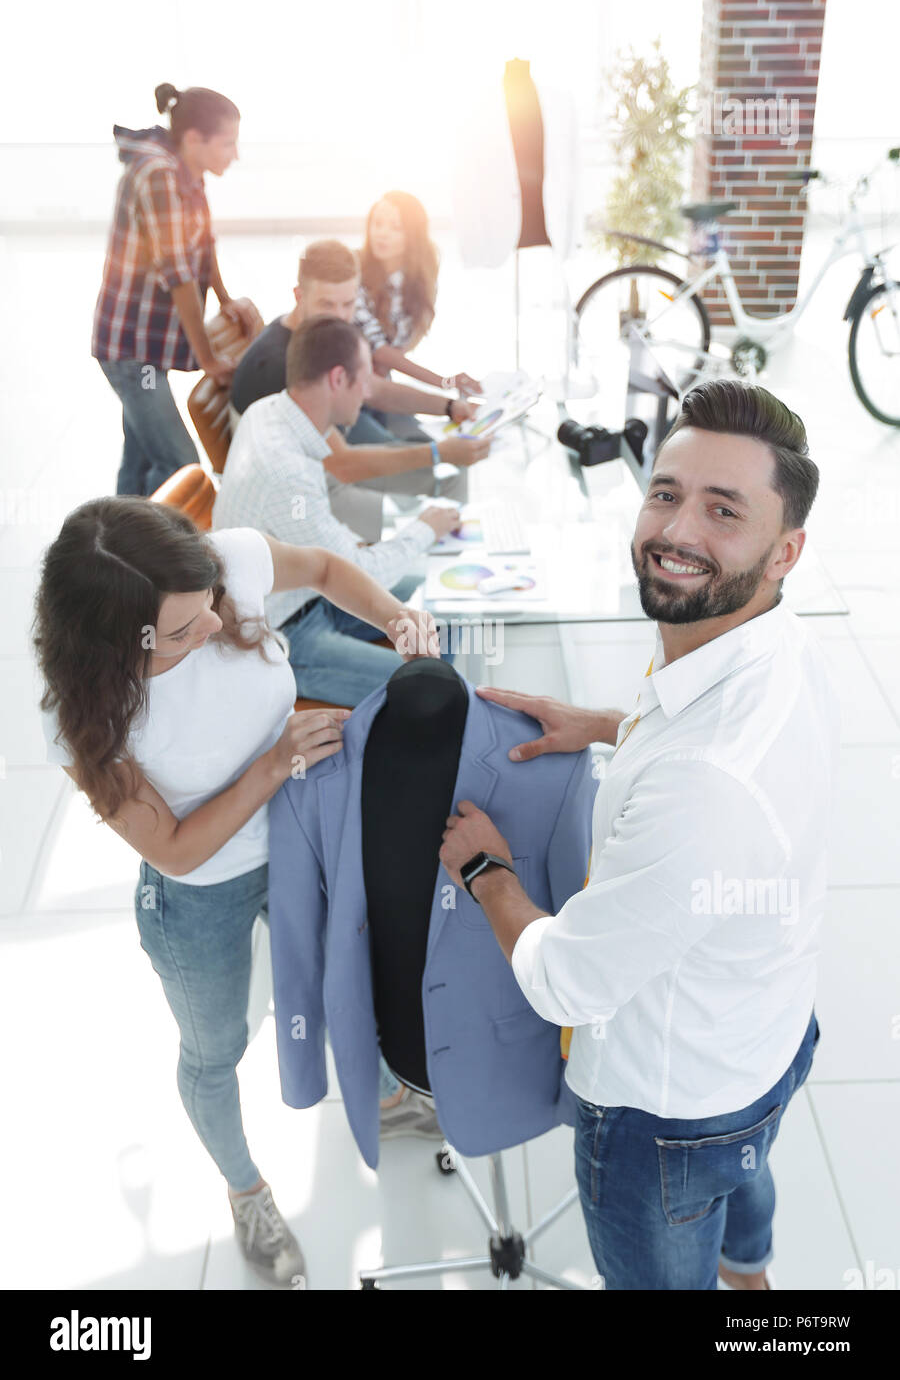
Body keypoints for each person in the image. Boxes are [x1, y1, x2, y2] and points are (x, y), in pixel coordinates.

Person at [438, 380, 841, 1291]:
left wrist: (489, 870)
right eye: (666, 492)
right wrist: (609, 723)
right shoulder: (783, 644)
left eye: (723, 510)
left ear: (786, 551)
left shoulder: (704, 791)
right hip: (770, 1037)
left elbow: (565, 982)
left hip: (667, 1122)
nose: (677, 530)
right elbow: (713, 771)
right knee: (748, 1196)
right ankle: (755, 1288)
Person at [34, 496, 440, 1287]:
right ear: (117, 648)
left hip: (298, 837)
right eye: (184, 634)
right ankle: (246, 1188)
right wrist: (273, 763)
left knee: (340, 981)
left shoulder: (222, 570)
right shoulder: (86, 715)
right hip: (201, 892)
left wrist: (395, 617)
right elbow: (177, 851)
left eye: (208, 609)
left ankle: (388, 1101)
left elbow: (322, 568)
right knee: (216, 1049)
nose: (216, 628)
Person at [214, 316, 474, 711]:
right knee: (436, 689)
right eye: (364, 379)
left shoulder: (269, 411)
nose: (368, 393)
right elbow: (361, 572)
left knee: (453, 617)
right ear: (337, 379)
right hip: (284, 633)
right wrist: (424, 528)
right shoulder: (287, 473)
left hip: (310, 595)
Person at [230, 240, 487, 524]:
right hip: (305, 494)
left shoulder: (318, 334)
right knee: (446, 473)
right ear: (298, 295)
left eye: (348, 304)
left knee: (431, 456)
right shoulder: (281, 366)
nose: (341, 317)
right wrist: (438, 453)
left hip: (332, 456)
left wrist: (449, 406)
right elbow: (343, 465)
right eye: (327, 304)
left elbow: (372, 388)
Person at [93, 82, 258, 497]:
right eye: (228, 144)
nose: (235, 155)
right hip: (134, 354)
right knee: (180, 464)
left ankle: (118, 550)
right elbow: (180, 273)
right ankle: (154, 552)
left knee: (143, 455)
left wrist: (224, 298)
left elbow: (202, 245)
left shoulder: (187, 170)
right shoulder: (160, 176)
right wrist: (208, 358)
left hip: (149, 347)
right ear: (193, 139)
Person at [355, 192, 482, 437]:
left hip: (379, 388)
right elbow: (379, 351)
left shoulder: (414, 284)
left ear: (412, 235)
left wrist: (447, 384)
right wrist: (444, 382)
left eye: (396, 227)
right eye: (377, 224)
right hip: (351, 388)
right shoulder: (354, 268)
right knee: (396, 449)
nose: (382, 233)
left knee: (428, 440)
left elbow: (394, 352)